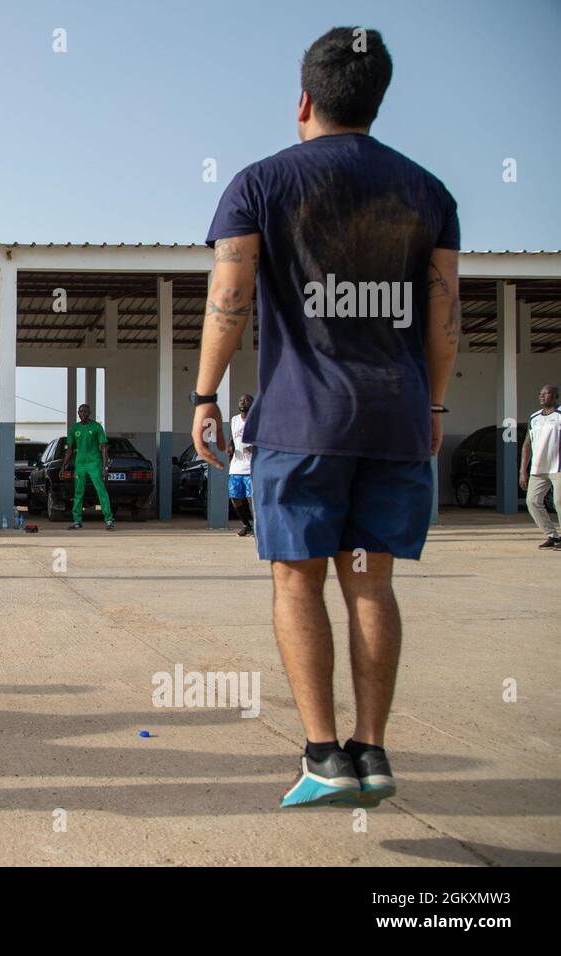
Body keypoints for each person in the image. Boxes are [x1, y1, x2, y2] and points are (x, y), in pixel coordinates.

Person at [195, 28, 460, 809]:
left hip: (302, 421)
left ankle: (321, 755)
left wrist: (205, 396)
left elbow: (230, 294)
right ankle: (371, 751)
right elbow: (445, 314)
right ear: (377, 101)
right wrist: (433, 403)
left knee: (297, 578)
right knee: (371, 582)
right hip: (396, 417)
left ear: (304, 99)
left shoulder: (260, 183)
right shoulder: (429, 193)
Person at [61, 403, 114, 531]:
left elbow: (103, 448)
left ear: (89, 413)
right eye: (80, 412)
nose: (82, 414)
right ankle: (77, 521)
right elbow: (69, 450)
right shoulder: (74, 429)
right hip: (80, 464)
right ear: (78, 414)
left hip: (94, 463)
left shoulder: (96, 427)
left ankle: (109, 520)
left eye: (85, 412)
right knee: (78, 492)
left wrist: (105, 467)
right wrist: (63, 466)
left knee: (101, 490)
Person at [521, 384, 561, 548]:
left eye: (546, 393)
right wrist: (522, 471)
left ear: (556, 396)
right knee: (532, 501)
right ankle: (553, 536)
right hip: (538, 469)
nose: (542, 396)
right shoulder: (534, 417)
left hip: (558, 467)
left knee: (559, 501)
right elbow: (527, 445)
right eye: (540, 393)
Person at [229, 393, 255, 537]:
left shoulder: (257, 420)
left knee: (252, 498)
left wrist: (254, 447)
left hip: (252, 466)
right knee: (235, 497)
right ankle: (246, 525)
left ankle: (257, 527)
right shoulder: (234, 420)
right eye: (240, 400)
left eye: (245, 400)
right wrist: (230, 447)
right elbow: (233, 438)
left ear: (252, 403)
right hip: (236, 466)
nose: (242, 402)